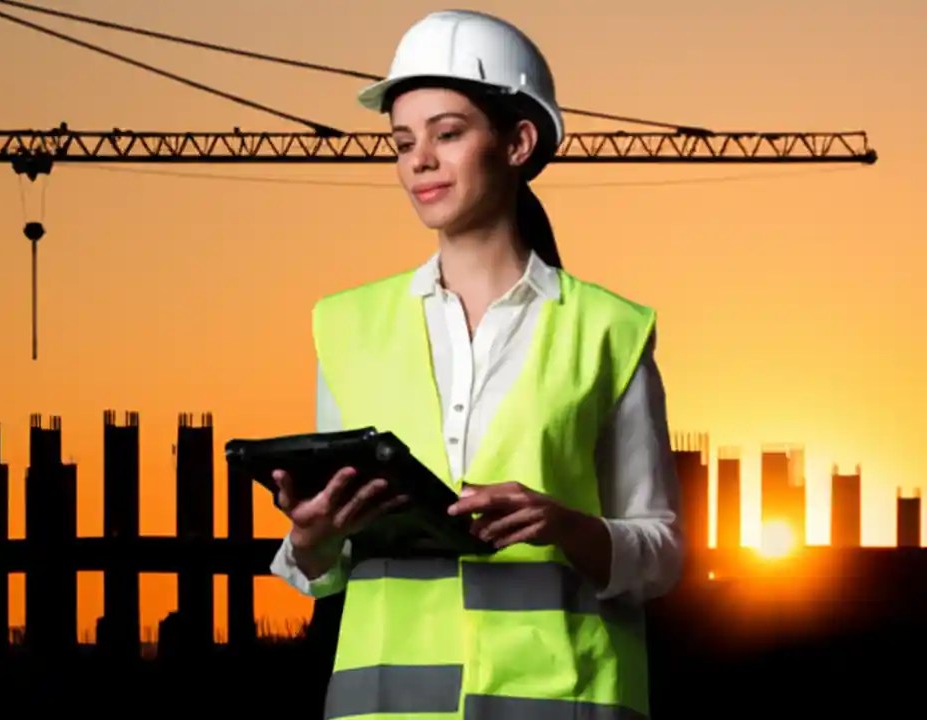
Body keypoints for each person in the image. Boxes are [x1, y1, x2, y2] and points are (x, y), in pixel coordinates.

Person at [267, 9, 685, 720]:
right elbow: (322, 569)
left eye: (448, 133)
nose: (418, 160)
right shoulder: (345, 326)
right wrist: (310, 538)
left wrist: (564, 524)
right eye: (402, 142)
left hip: (567, 704)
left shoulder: (608, 331)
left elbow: (662, 554)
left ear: (519, 142)